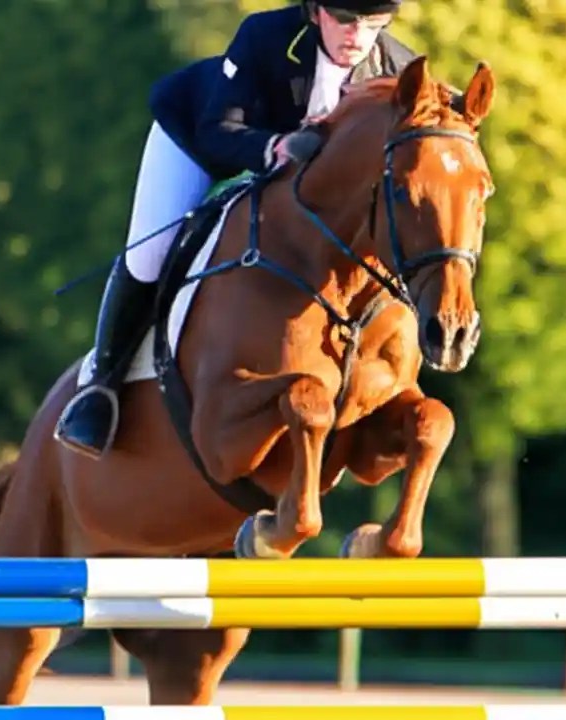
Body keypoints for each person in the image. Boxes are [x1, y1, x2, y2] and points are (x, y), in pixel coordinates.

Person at [54, 0, 418, 460]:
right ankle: (99, 386)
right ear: (315, 11)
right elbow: (219, 129)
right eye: (345, 19)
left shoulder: (396, 70)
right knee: (151, 253)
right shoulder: (265, 36)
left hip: (292, 188)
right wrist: (277, 146)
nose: (358, 36)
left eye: (374, 23)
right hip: (202, 144)